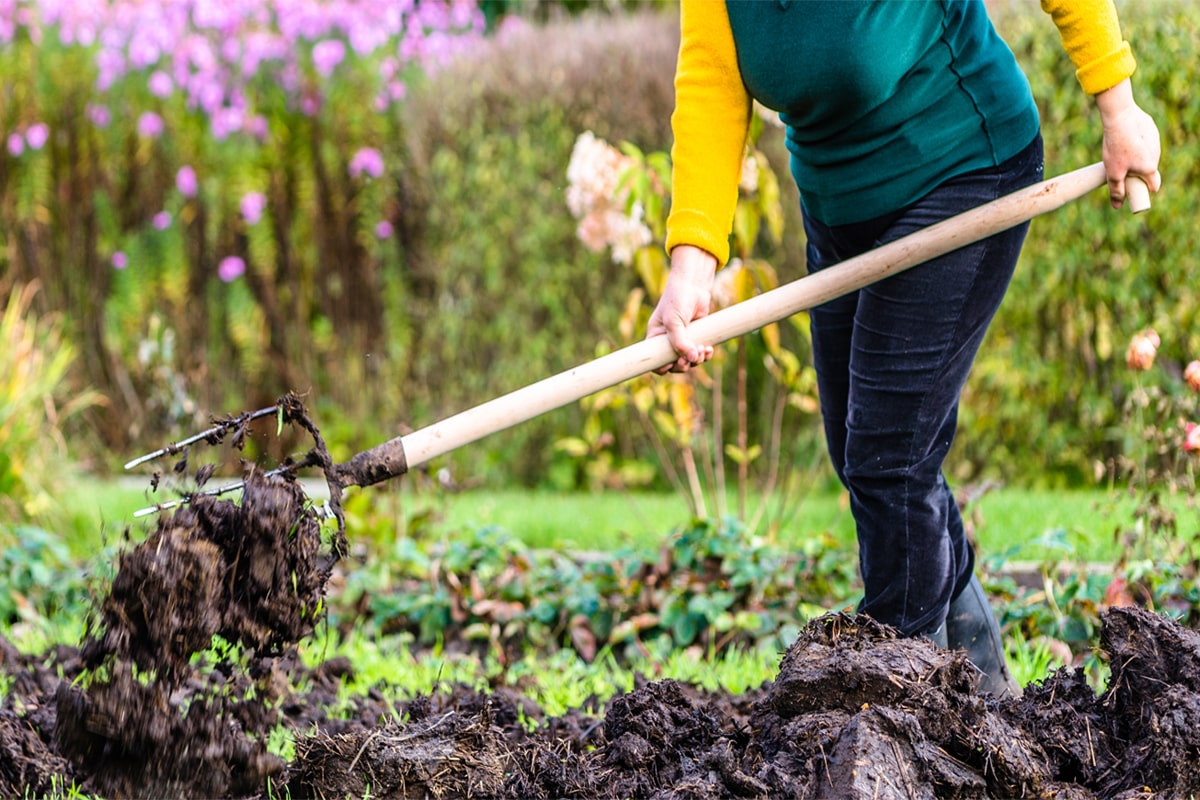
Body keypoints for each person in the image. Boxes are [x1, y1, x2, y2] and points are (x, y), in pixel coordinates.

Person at [647, 0, 1161, 696]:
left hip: (962, 171)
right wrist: (691, 265)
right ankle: (982, 693)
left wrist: (1118, 105)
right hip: (840, 210)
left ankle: (902, 703)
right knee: (871, 457)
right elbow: (712, 79)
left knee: (889, 460)